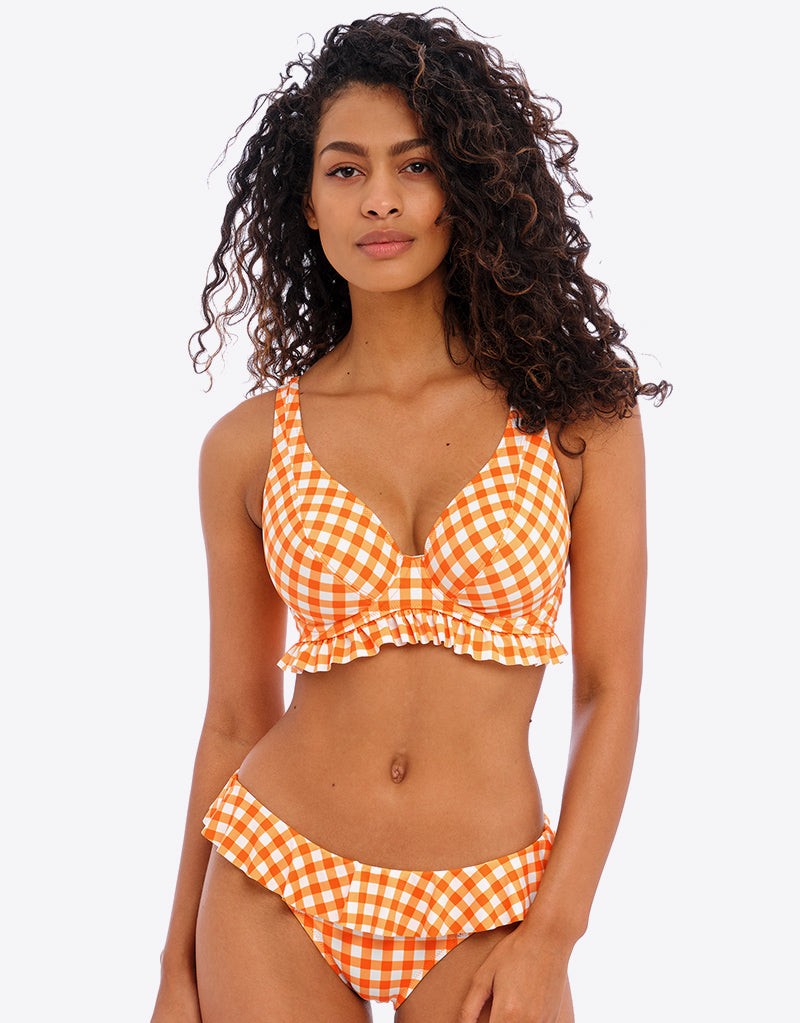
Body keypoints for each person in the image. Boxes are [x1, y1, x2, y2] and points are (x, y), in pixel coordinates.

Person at [150, 12, 669, 1022]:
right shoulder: (246, 446)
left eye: (415, 165)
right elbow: (235, 716)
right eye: (344, 169)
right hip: (274, 878)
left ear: (464, 188)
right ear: (305, 202)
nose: (379, 199)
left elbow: (608, 693)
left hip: (490, 903)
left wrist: (552, 935)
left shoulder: (578, 418)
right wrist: (175, 966)